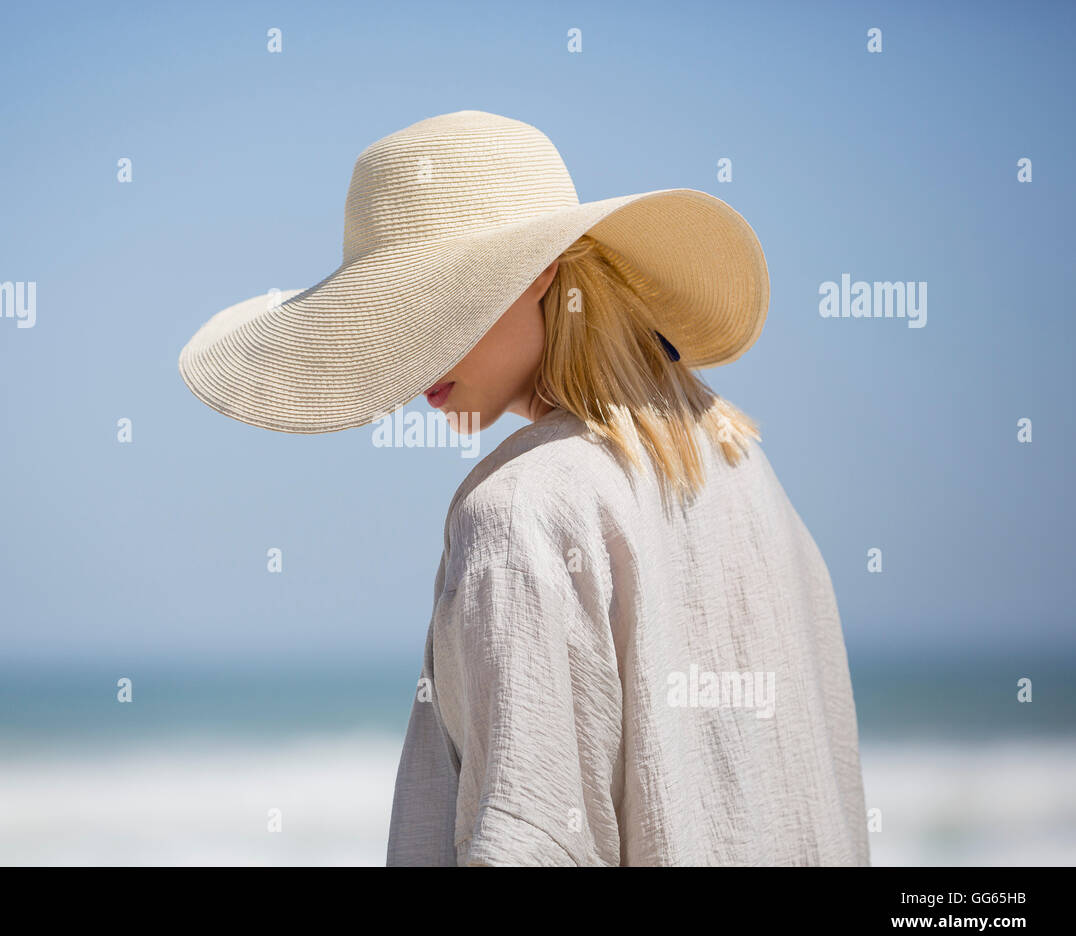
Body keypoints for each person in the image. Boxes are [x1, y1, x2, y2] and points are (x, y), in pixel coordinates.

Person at [179, 110, 870, 867]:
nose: (411, 359)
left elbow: (531, 844)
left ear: (542, 268)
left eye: (428, 303)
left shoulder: (522, 511)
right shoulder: (749, 480)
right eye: (389, 321)